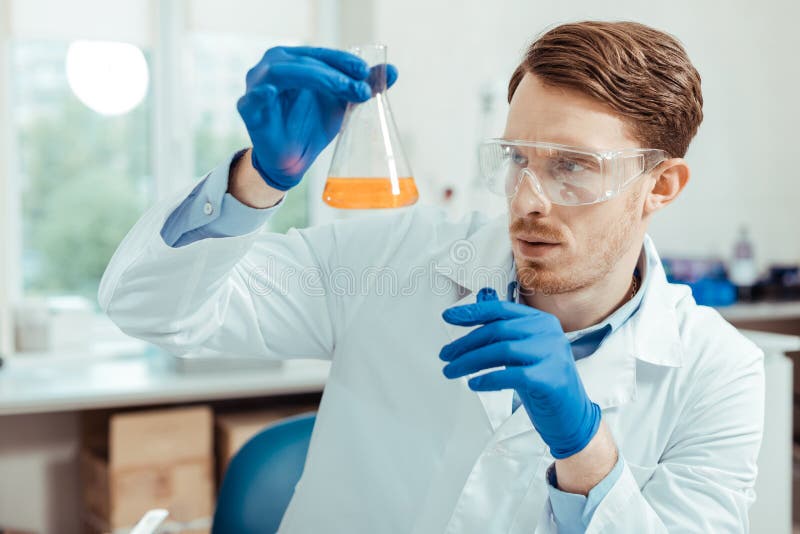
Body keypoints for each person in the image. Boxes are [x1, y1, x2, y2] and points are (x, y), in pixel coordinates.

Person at [99, 21, 764, 533]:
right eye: (516, 159)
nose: (528, 199)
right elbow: (149, 308)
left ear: (661, 186)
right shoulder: (391, 262)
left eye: (572, 166)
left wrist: (586, 448)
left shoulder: (718, 372)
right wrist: (256, 181)